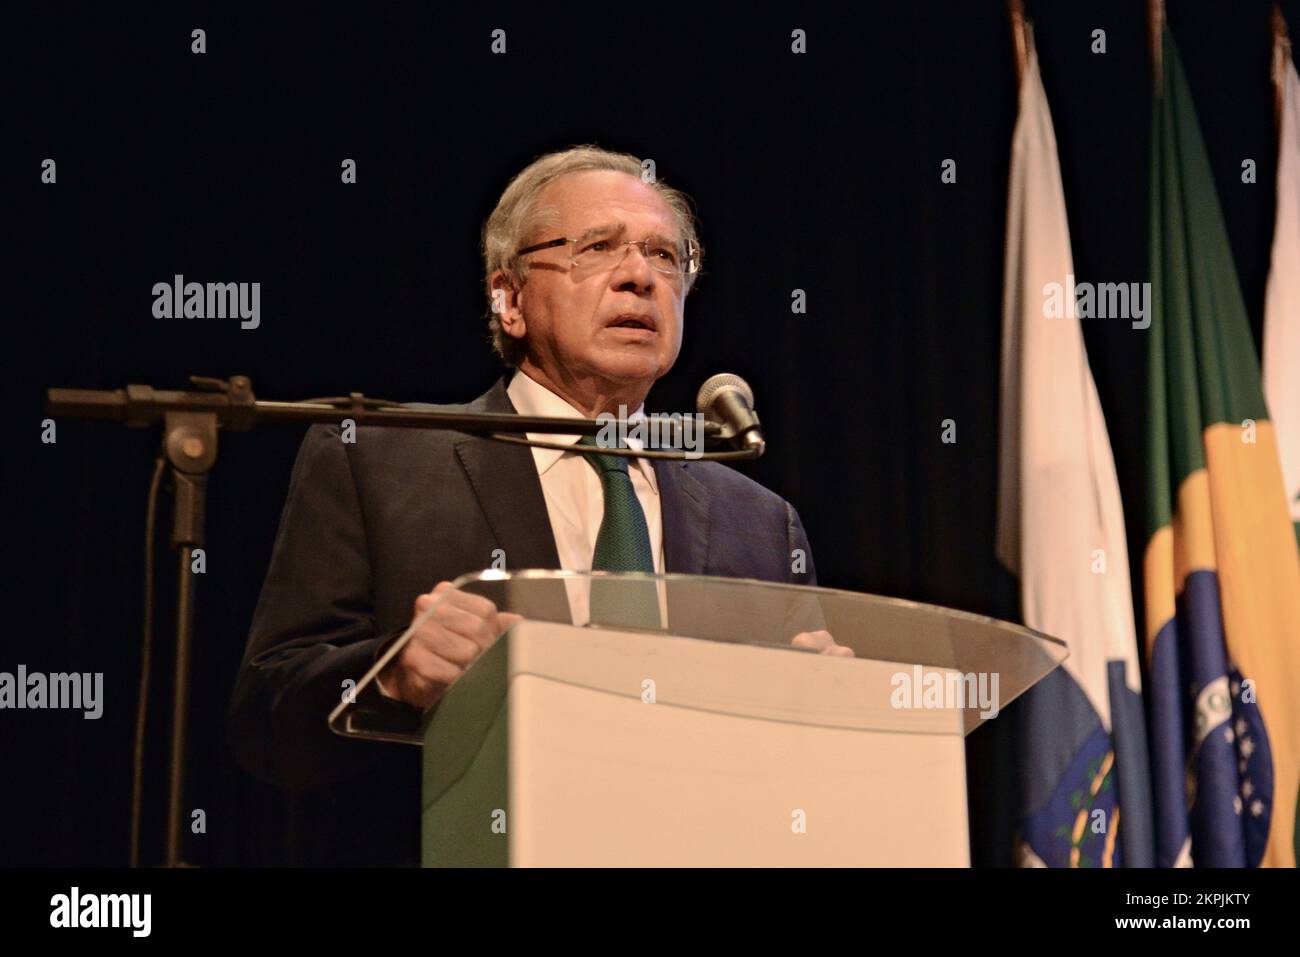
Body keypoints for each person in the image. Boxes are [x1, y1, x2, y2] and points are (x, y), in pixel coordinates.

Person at [229, 145, 849, 866]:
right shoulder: (377, 459)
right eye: (597, 247)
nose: (640, 276)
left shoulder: (761, 522)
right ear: (510, 300)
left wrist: (829, 716)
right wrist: (391, 674)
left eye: (665, 255)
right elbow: (264, 724)